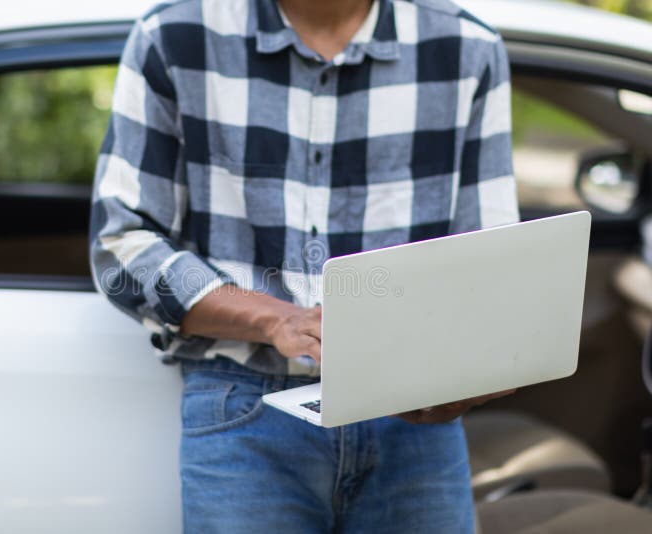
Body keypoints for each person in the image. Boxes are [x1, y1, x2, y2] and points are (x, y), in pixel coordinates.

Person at [90, 0, 519, 531]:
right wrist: (276, 319)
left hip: (416, 417)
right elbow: (122, 245)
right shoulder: (174, 36)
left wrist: (478, 366)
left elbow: (494, 258)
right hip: (243, 404)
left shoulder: (468, 47)